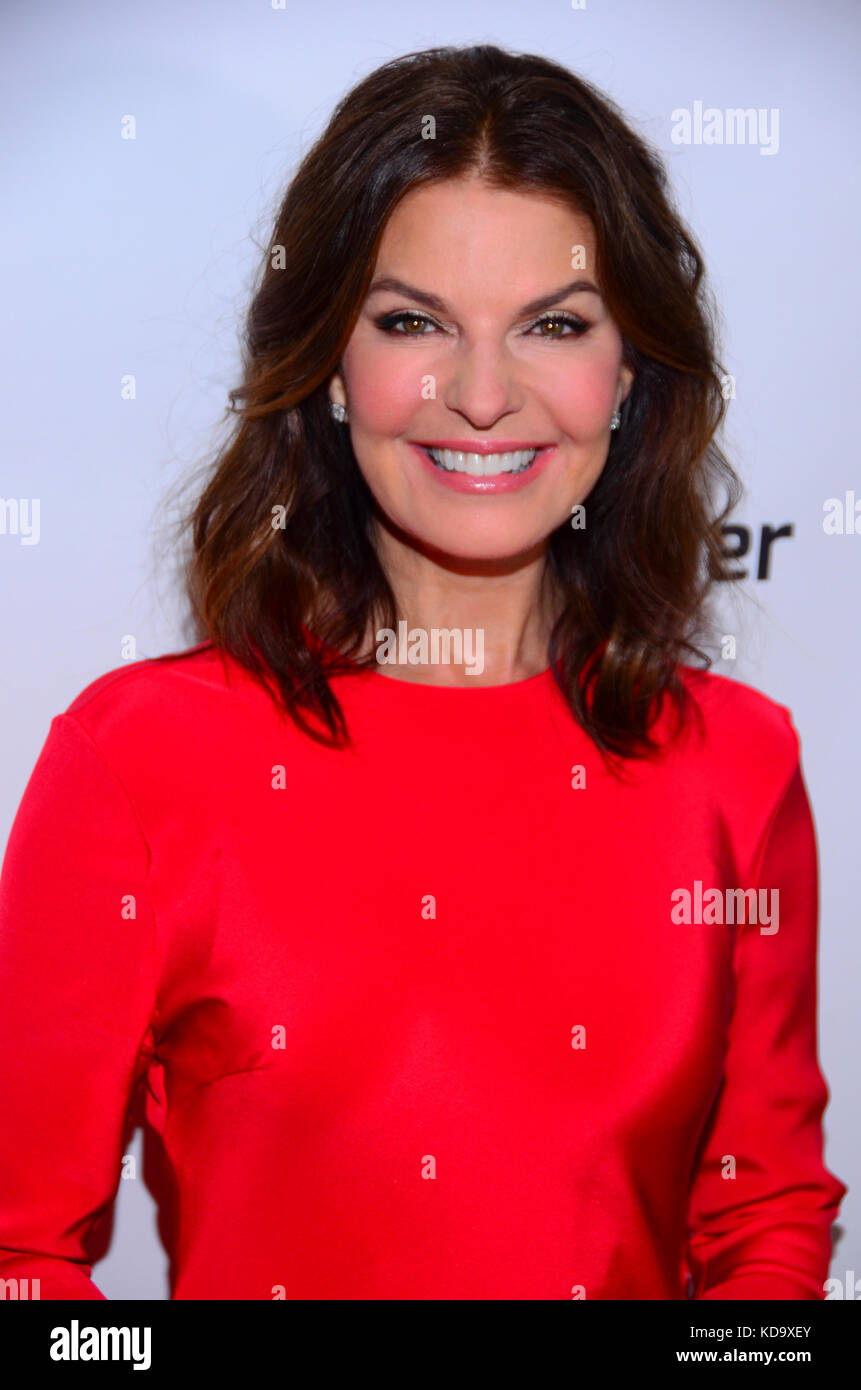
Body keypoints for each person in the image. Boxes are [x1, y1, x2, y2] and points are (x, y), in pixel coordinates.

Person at [0, 43, 845, 1300]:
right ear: (331, 367)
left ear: (632, 376)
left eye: (554, 325)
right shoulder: (139, 760)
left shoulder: (738, 765)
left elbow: (764, 1228)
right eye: (414, 324)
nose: (485, 396)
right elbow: (21, 1260)